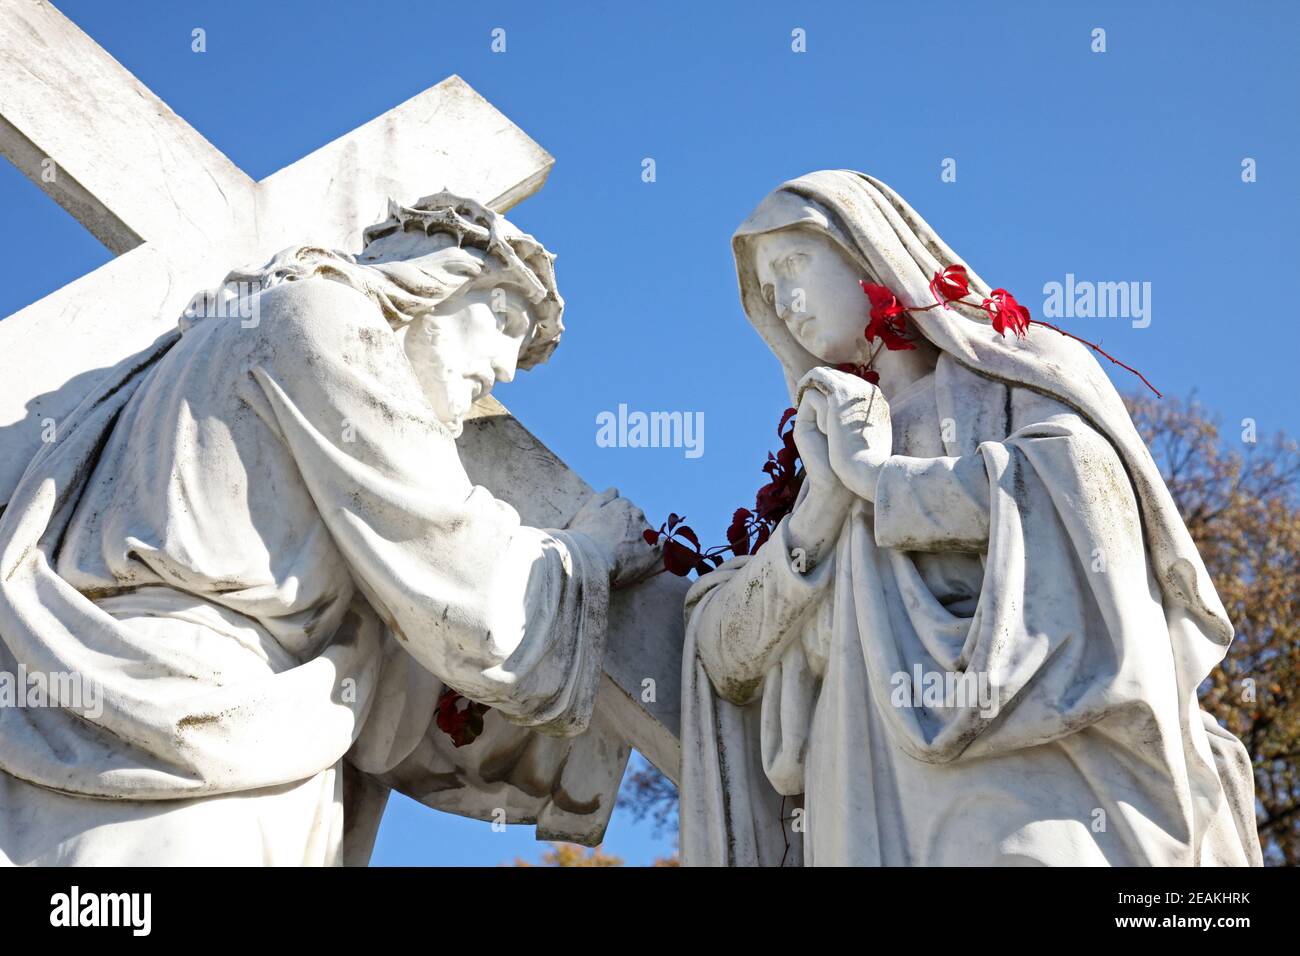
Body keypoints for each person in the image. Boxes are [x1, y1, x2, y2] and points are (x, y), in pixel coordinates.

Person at [0, 193, 656, 865]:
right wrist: (590, 553)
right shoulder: (327, 317)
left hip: (92, 717)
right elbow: (464, 585)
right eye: (502, 318)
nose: (505, 369)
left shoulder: (192, 349)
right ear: (435, 276)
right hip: (204, 742)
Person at [680, 170, 1262, 866]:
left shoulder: (1015, 375)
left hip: (1029, 769)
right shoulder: (820, 462)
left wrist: (881, 480)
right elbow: (730, 656)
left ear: (866, 251)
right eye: (771, 293)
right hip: (859, 794)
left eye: (794, 265)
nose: (788, 301)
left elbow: (1084, 490)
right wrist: (825, 502)